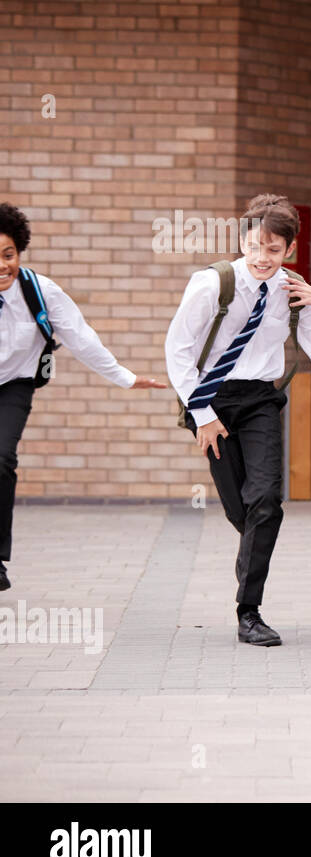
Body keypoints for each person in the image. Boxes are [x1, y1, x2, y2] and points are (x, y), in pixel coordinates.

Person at [166, 194, 311, 645]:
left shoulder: (293, 291)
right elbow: (179, 352)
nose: (262, 258)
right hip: (212, 399)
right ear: (241, 241)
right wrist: (202, 416)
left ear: (289, 249)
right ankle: (255, 550)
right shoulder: (212, 285)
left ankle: (249, 612)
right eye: (253, 246)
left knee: (266, 500)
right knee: (241, 511)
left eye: (273, 249)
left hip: (261, 400)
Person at [0, 203, 166, 592]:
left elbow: (81, 337)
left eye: (8, 255)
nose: (2, 265)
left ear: (19, 252)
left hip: (14, 385)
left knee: (1, 458)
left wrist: (124, 378)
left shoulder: (39, 292)